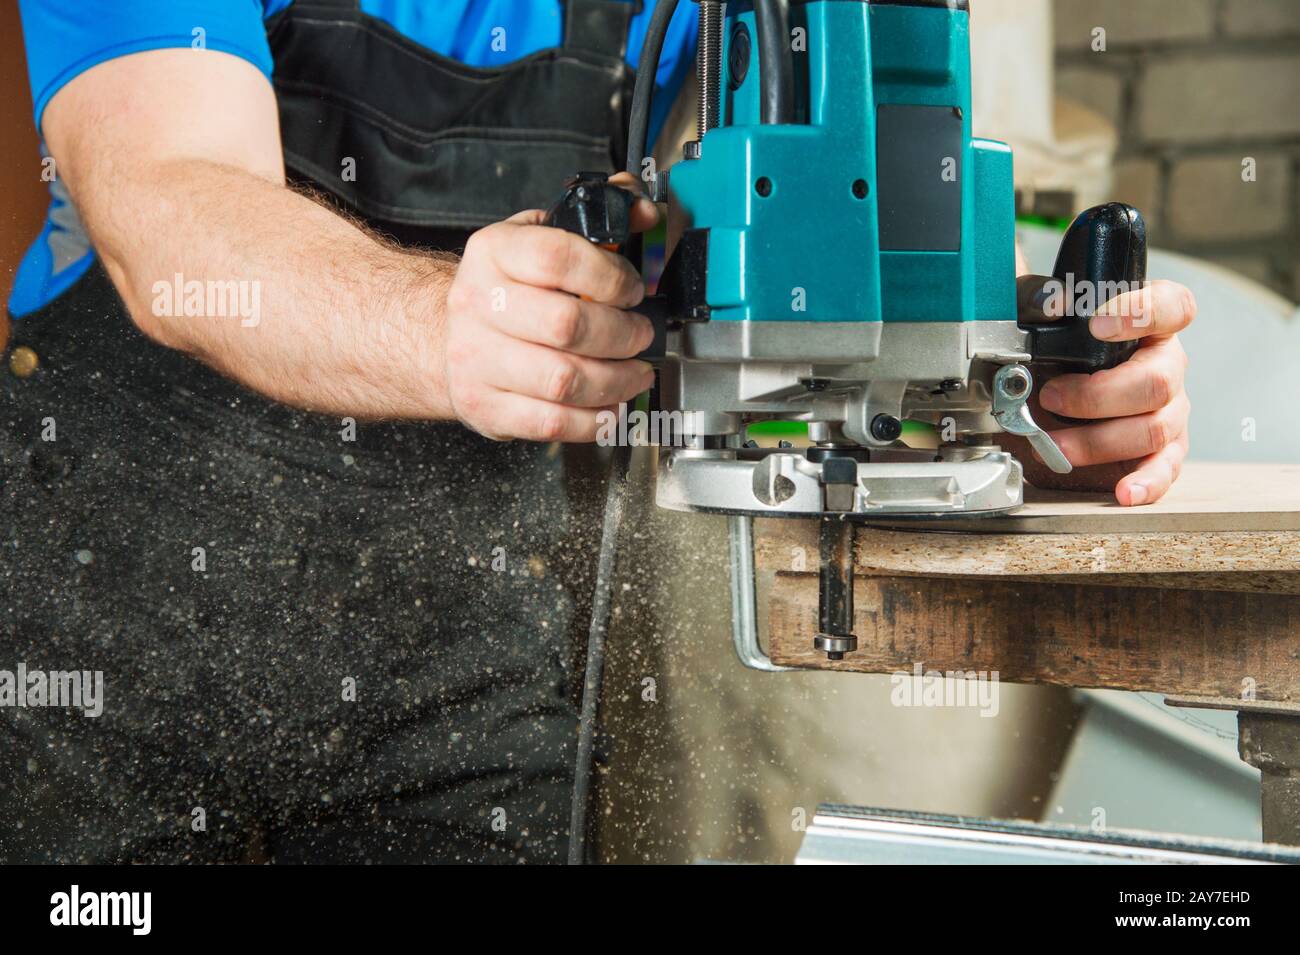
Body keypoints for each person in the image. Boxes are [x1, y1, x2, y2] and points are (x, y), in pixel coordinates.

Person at [1, 0, 1193, 863]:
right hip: (118, 625)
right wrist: (439, 326)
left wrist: (1009, 369)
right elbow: (172, 213)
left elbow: (738, 234)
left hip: (462, 643)